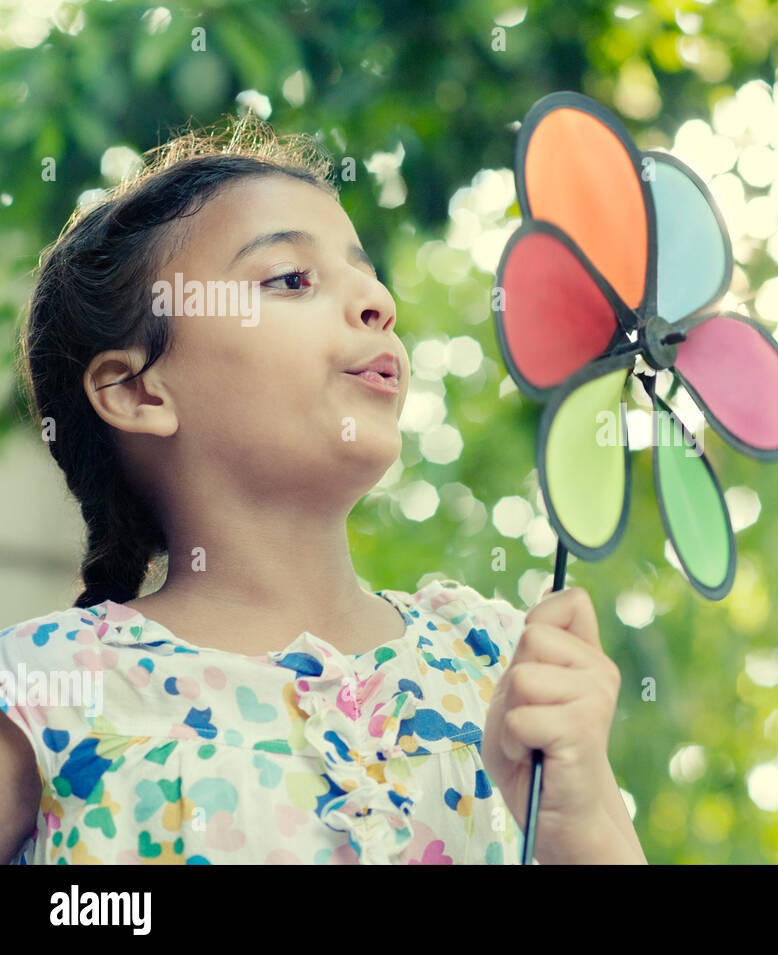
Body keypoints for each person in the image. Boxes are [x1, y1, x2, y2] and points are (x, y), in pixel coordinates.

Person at [0, 111, 645, 865]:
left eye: (367, 274)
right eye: (291, 279)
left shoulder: (497, 662)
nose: (379, 302)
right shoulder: (47, 689)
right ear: (140, 392)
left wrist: (586, 815)